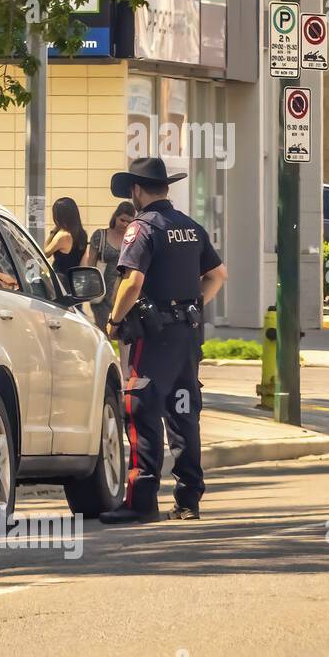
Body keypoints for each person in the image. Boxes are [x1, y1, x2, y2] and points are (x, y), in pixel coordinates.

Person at [99, 157, 227, 524]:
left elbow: (133, 282)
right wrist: (191, 305)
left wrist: (114, 319)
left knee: (141, 411)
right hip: (187, 338)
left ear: (137, 191)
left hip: (152, 341)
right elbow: (218, 274)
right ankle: (188, 501)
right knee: (184, 415)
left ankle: (141, 500)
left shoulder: (142, 228)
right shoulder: (189, 227)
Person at [82, 201, 136, 332]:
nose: (125, 224)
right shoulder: (100, 235)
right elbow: (91, 263)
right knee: (103, 330)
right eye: (122, 220)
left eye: (129, 222)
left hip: (123, 290)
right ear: (115, 217)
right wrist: (91, 288)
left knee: (124, 332)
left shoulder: (134, 238)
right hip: (102, 292)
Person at [43, 197, 88, 281]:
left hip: (60, 280)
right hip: (73, 280)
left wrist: (53, 232)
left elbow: (46, 253)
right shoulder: (82, 234)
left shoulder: (63, 235)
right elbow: (83, 262)